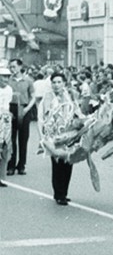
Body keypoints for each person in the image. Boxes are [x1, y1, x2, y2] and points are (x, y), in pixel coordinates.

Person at [40, 72, 80, 205]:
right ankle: (58, 194)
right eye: (54, 82)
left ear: (64, 83)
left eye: (59, 82)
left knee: (68, 163)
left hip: (69, 135)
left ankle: (64, 192)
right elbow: (46, 115)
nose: (56, 85)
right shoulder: (48, 97)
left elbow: (77, 111)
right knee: (57, 163)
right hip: (55, 135)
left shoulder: (70, 95)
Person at [7, 58, 35, 176]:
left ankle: (21, 165)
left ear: (20, 67)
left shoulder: (28, 80)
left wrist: (26, 109)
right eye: (10, 67)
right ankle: (11, 166)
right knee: (11, 139)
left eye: (14, 66)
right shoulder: (8, 81)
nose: (12, 69)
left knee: (23, 139)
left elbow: (33, 97)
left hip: (24, 109)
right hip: (11, 109)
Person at [0, 66, 13, 187]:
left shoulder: (9, 89)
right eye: (3, 76)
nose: (6, 79)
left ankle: (2, 177)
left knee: (5, 147)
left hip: (5, 120)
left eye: (7, 77)